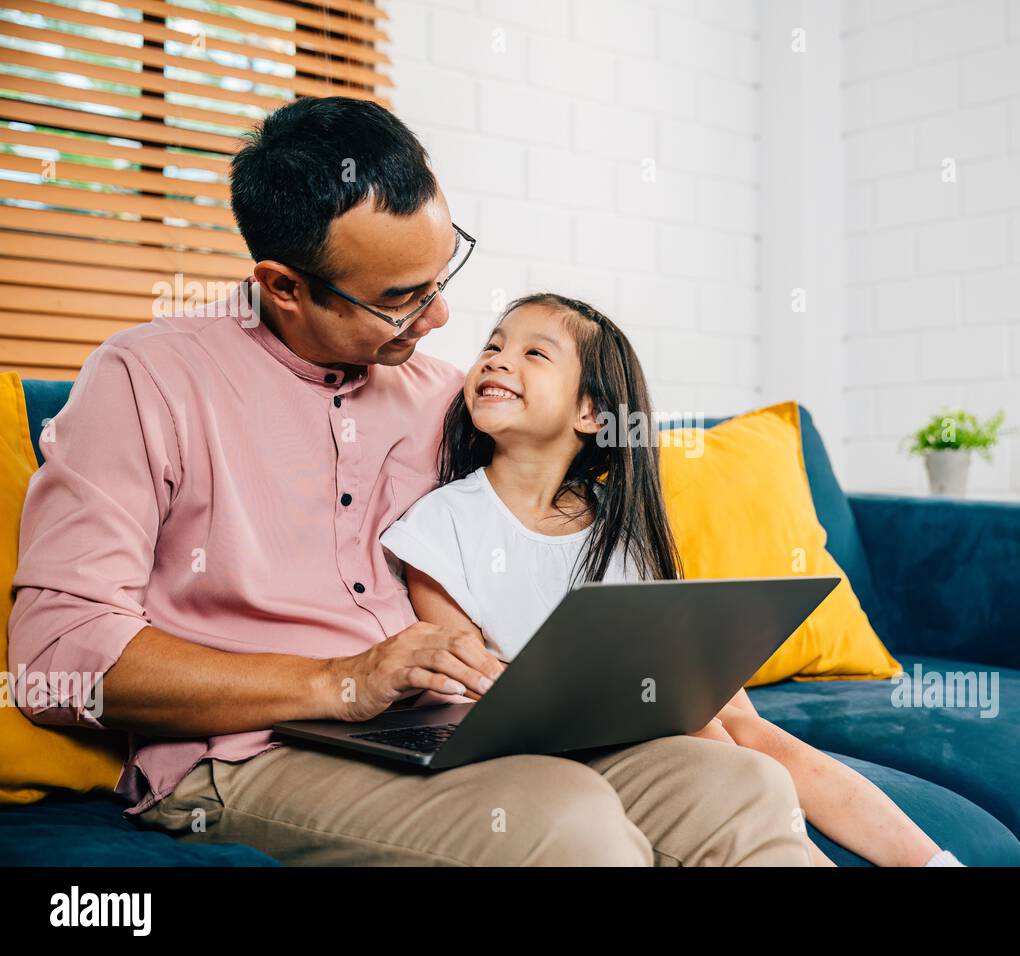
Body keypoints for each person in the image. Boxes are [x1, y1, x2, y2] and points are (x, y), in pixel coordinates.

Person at [8, 96, 812, 866]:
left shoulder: (446, 396)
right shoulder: (144, 380)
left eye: (442, 275)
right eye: (401, 300)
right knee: (561, 819)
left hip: (455, 729)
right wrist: (341, 681)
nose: (437, 322)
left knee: (737, 785)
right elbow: (55, 659)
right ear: (284, 285)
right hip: (252, 756)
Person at [379, 292, 965, 868]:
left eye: (536, 353)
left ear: (589, 413)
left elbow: (659, 636)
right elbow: (459, 676)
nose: (498, 359)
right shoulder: (441, 523)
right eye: (494, 344)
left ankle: (933, 861)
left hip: (642, 706)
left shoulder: (616, 520)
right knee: (722, 752)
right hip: (546, 736)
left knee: (744, 730)